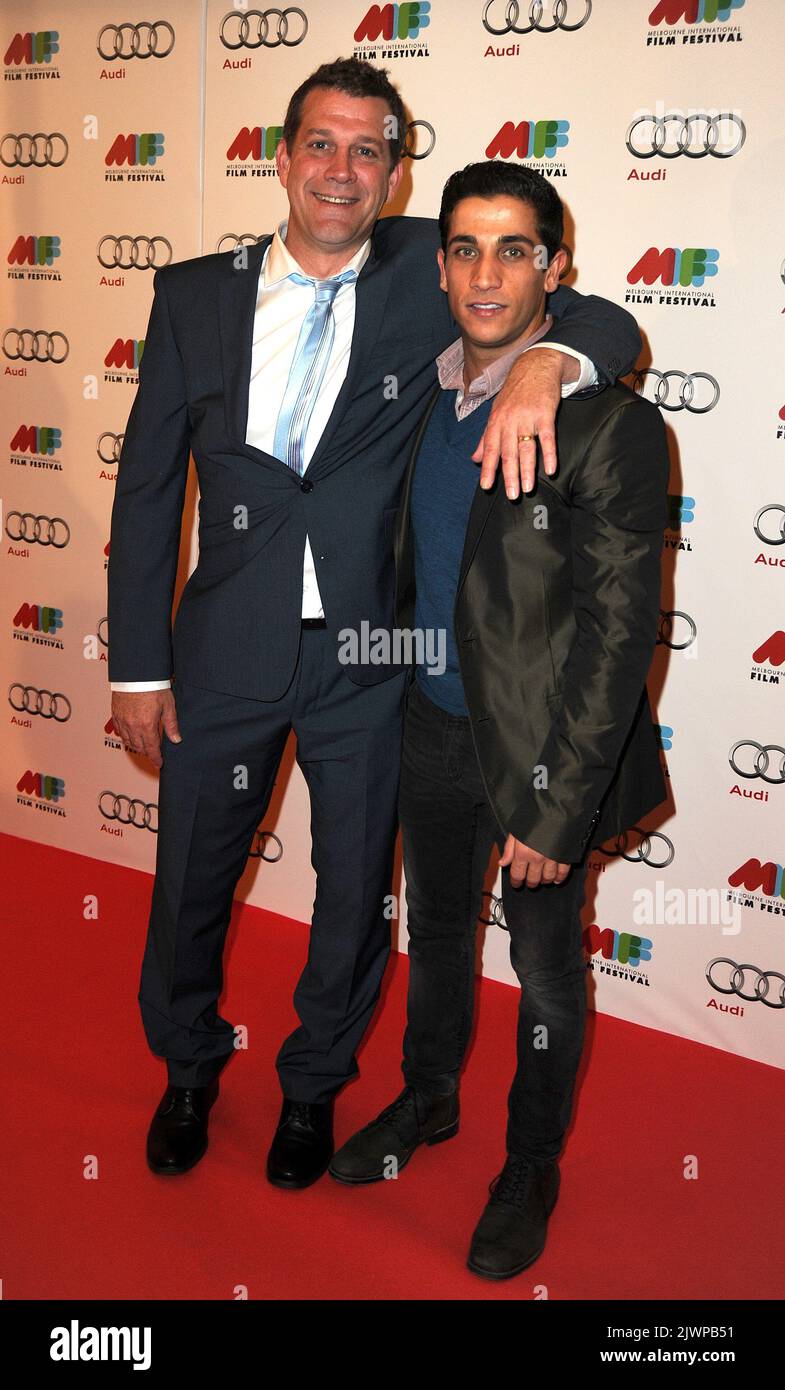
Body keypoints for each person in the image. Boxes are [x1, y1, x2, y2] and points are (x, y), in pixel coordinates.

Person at [107, 58, 642, 1191]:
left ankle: (313, 1086)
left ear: (393, 171)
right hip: (222, 651)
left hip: (368, 660)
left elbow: (585, 302)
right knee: (192, 878)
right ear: (281, 153)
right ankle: (190, 1068)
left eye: (367, 149)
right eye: (320, 143)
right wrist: (138, 665)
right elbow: (147, 492)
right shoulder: (192, 295)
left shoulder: (425, 272)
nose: (340, 170)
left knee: (355, 889)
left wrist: (552, 359)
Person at [328, 161, 669, 1278]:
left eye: (513, 249)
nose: (486, 273)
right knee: (433, 937)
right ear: (438, 266)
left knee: (545, 973)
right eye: (465, 248)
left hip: (536, 763)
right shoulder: (417, 391)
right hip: (426, 728)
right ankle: (427, 1101)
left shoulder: (606, 425)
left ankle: (527, 1162)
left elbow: (619, 642)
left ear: (552, 270)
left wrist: (557, 803)